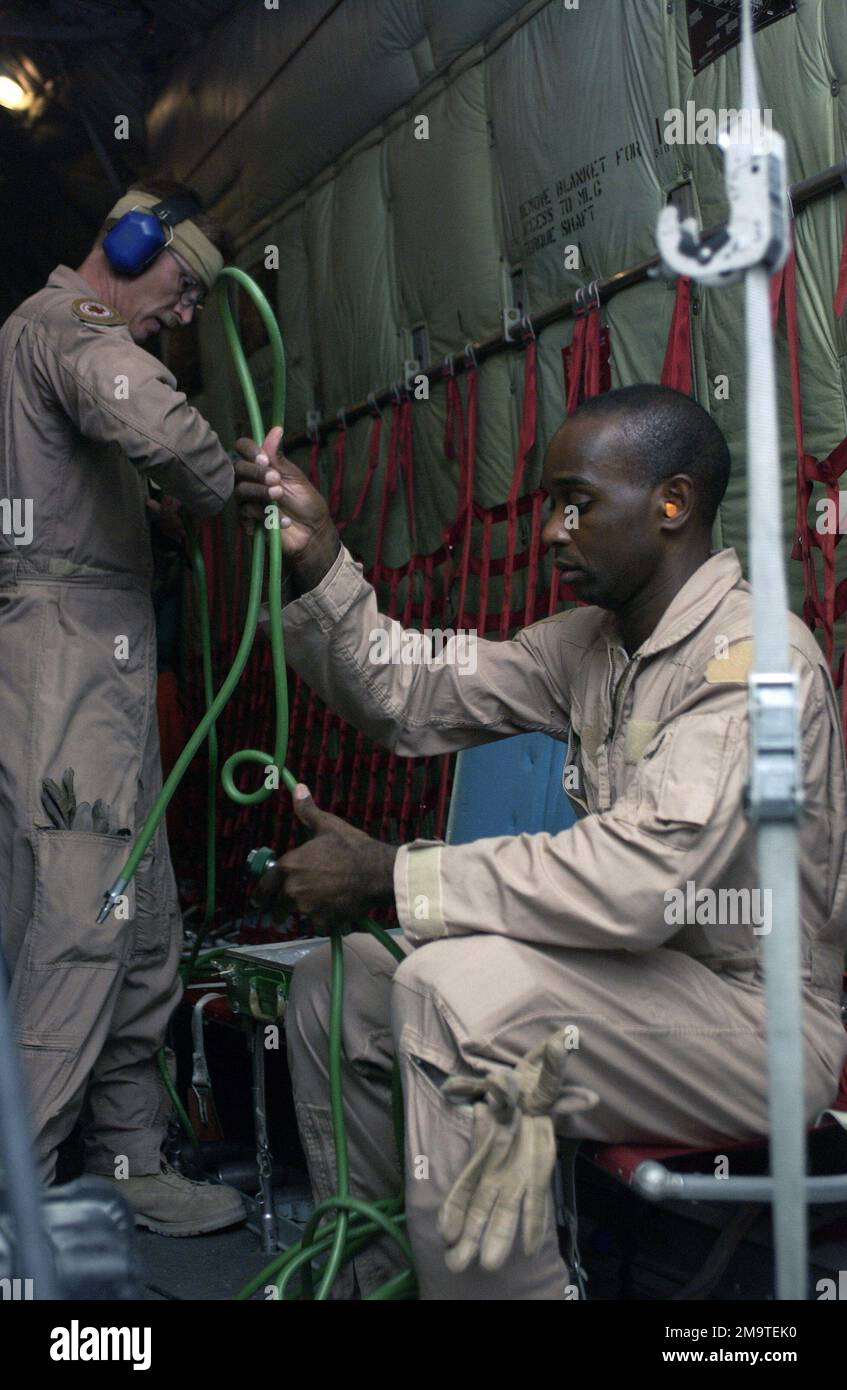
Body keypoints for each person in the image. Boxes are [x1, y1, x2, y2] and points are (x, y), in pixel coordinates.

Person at [234, 385, 847, 1298]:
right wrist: (319, 559)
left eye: (578, 503)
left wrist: (390, 875)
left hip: (758, 1026)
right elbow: (415, 691)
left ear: (671, 504)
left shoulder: (754, 663)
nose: (553, 530)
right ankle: (378, 1277)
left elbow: (643, 882)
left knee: (454, 995)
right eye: (550, 505)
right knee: (341, 987)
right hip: (636, 988)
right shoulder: (592, 645)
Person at [0, 178, 245, 1234]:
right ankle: (20, 1197)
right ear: (135, 242)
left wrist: (139, 516)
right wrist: (220, 479)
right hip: (63, 651)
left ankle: (131, 1158)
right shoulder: (73, 322)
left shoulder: (51, 339)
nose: (184, 319)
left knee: (141, 911)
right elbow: (150, 417)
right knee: (78, 917)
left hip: (100, 648)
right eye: (184, 292)